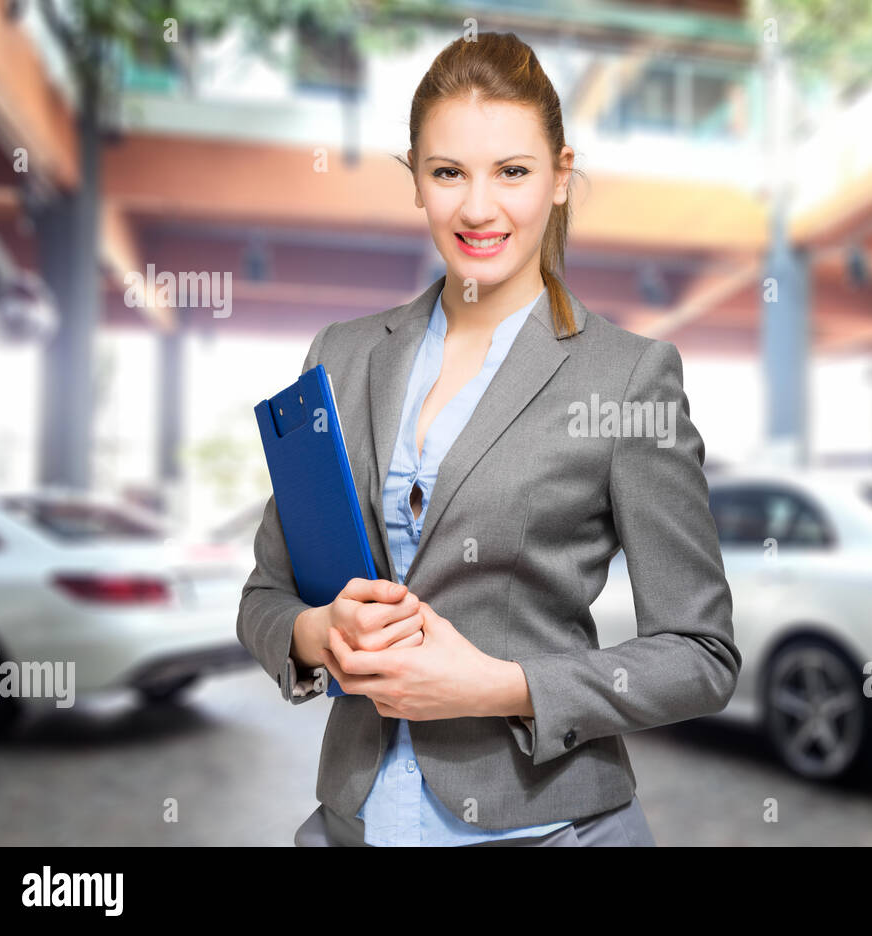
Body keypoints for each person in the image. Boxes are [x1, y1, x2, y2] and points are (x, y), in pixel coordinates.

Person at [237, 30, 740, 847]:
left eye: (512, 171)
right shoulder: (342, 354)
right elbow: (265, 597)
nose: (478, 207)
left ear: (561, 176)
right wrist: (317, 635)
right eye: (447, 172)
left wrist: (498, 686)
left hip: (550, 828)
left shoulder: (628, 377)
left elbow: (701, 656)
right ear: (416, 181)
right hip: (353, 822)